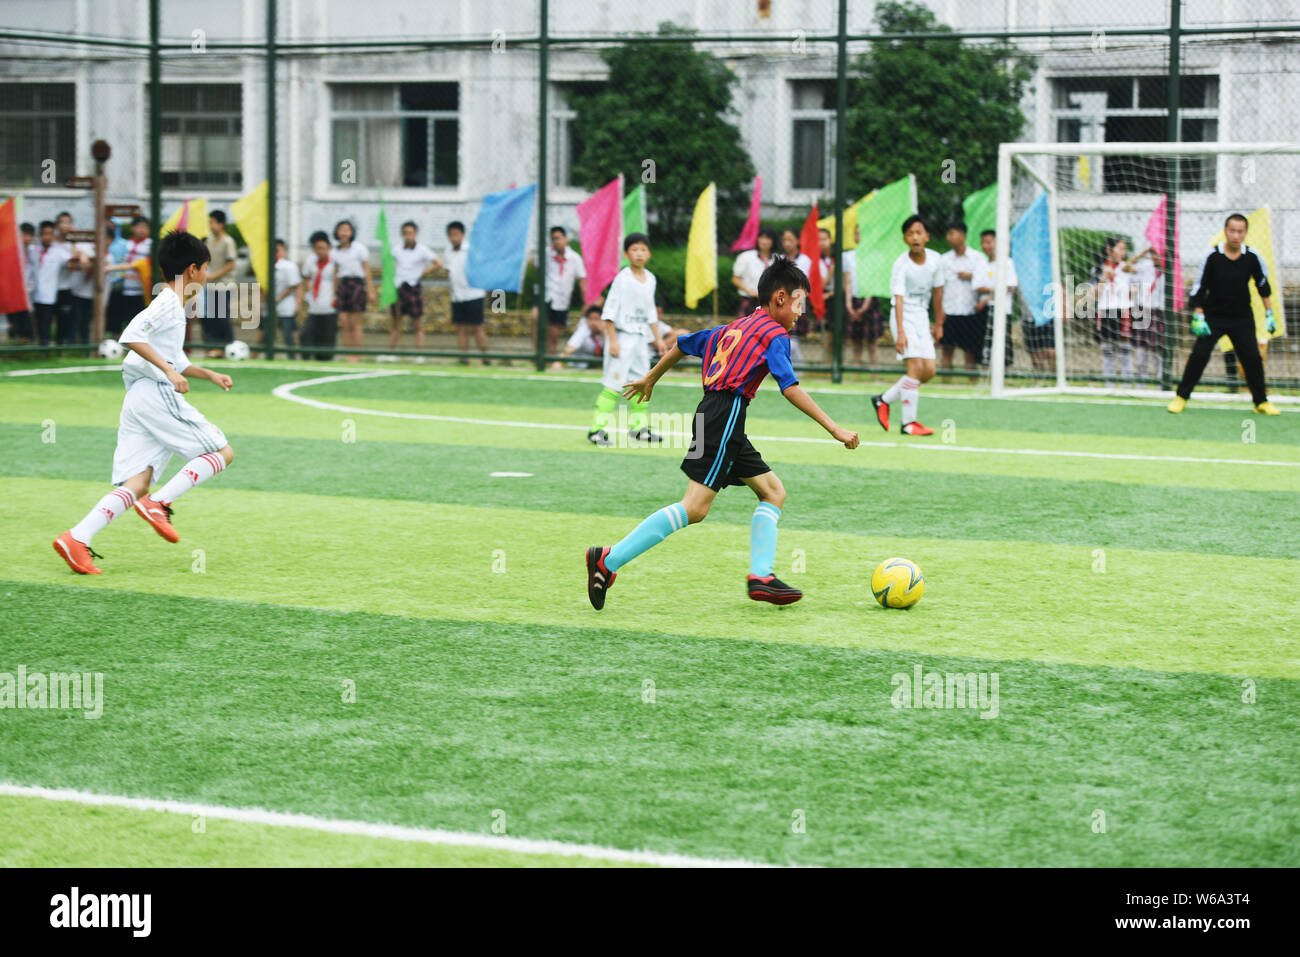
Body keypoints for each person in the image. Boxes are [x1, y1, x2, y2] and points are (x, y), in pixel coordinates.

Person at [585, 257, 859, 610]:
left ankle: (761, 575)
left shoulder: (734, 327)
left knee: (773, 492)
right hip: (725, 415)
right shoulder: (775, 335)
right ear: (779, 297)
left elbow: (683, 344)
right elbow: (789, 387)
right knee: (695, 507)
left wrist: (651, 378)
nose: (801, 313)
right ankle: (609, 560)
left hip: (715, 414)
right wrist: (834, 428)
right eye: (799, 303)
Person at [52, 230, 234, 576]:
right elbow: (131, 335)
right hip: (154, 392)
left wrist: (207, 373)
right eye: (207, 269)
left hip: (138, 398)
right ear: (193, 269)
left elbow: (174, 359)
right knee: (222, 452)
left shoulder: (172, 305)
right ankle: (160, 503)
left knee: (137, 482)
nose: (207, 277)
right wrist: (167, 370)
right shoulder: (168, 301)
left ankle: (77, 538)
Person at [1169, 213, 1279, 415]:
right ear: (1225, 231)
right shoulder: (1212, 256)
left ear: (1245, 233)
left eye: (1240, 231)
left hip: (1242, 318)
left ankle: (1261, 402)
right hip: (1214, 317)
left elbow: (1263, 285)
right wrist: (1199, 315)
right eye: (1232, 231)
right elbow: (1199, 287)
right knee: (1199, 354)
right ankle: (1181, 397)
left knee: (1252, 358)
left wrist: (1270, 313)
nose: (1236, 235)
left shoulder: (1252, 257)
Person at [588, 233, 666, 446]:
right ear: (626, 254)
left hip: (641, 340)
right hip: (622, 339)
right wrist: (613, 341)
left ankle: (638, 428)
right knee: (613, 385)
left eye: (643, 250)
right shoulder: (622, 279)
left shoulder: (650, 279)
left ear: (648, 253)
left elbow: (650, 311)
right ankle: (597, 429)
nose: (639, 254)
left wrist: (658, 339)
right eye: (634, 250)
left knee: (642, 384)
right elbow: (609, 312)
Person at [872, 215, 944, 436]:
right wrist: (900, 332)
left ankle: (883, 399)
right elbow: (899, 299)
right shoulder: (901, 264)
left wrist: (939, 323)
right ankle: (908, 423)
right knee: (915, 368)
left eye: (919, 232)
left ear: (927, 237)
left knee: (929, 371)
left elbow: (938, 292)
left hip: (922, 318)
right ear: (905, 239)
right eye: (910, 233)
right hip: (903, 317)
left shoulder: (935, 260)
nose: (915, 237)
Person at [938, 221, 988, 378]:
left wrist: (971, 276)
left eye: (952, 233)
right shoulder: (944, 259)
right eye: (948, 234)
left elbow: (987, 282)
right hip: (949, 311)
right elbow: (939, 288)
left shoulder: (978, 258)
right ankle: (946, 382)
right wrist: (940, 312)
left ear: (963, 235)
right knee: (947, 349)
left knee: (970, 351)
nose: (949, 237)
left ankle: (971, 382)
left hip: (969, 311)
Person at [974, 229, 1026, 369]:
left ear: (997, 243)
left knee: (1003, 342)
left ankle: (1005, 374)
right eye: (983, 242)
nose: (986, 246)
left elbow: (1010, 287)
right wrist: (995, 290)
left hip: (1003, 310)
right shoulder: (981, 264)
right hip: (985, 310)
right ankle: (985, 372)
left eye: (989, 242)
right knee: (984, 342)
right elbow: (978, 286)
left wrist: (987, 297)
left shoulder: (1007, 263)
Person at [532, 225, 587, 356]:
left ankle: (550, 356)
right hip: (544, 294)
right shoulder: (546, 254)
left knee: (554, 331)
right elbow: (535, 267)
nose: (556, 242)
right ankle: (537, 354)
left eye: (558, 238)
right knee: (535, 318)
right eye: (553, 239)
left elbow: (582, 280)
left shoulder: (574, 258)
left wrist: (585, 301)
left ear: (566, 239)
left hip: (562, 298)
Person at [442, 220, 489, 365]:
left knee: (477, 327)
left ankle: (485, 357)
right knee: (460, 328)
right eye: (450, 235)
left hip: (473, 294)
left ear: (462, 235)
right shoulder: (447, 252)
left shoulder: (471, 250)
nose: (453, 238)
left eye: (456, 234)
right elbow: (448, 271)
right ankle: (464, 358)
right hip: (457, 296)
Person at [1092, 236, 1137, 385]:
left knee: (1125, 347)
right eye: (1120, 248)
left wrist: (1133, 291)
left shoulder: (1127, 268)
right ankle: (1108, 382)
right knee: (1107, 348)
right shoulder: (1098, 268)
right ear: (1109, 251)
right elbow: (1094, 294)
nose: (1123, 252)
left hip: (1123, 310)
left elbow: (1133, 292)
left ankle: (1127, 382)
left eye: (1125, 249)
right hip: (1105, 310)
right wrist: (1104, 278)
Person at [388, 221, 437, 352]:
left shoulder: (422, 250)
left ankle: (420, 354)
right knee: (396, 323)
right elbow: (387, 262)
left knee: (417, 324)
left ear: (415, 234)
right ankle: (390, 352)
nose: (408, 236)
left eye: (410, 233)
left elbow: (438, 263)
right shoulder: (397, 249)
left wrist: (423, 272)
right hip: (399, 287)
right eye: (405, 233)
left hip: (413, 287)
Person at [332, 219, 375, 361]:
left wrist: (370, 289)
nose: (344, 233)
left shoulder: (359, 249)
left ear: (351, 233)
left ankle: (357, 354)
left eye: (347, 230)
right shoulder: (335, 252)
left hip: (356, 285)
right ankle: (349, 354)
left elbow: (366, 270)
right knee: (344, 322)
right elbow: (336, 274)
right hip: (343, 286)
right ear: (337, 232)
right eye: (341, 230)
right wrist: (334, 293)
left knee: (355, 322)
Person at [106, 217, 152, 340]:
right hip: (124, 288)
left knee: (140, 320)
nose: (142, 230)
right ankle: (118, 342)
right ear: (133, 228)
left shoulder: (150, 245)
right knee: (120, 318)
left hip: (141, 290)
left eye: (145, 227)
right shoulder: (126, 244)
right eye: (139, 226)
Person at [29, 221, 73, 347]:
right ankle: (37, 347)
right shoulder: (34, 250)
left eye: (50, 234)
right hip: (34, 293)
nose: (47, 237)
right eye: (44, 234)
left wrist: (82, 254)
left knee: (48, 323)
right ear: (39, 235)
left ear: (54, 235)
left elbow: (71, 261)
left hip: (50, 293)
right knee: (37, 323)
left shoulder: (58, 251)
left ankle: (49, 347)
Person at [300, 231, 339, 361]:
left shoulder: (334, 262)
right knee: (305, 335)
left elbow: (337, 281)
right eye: (317, 248)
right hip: (314, 307)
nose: (319, 251)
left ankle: (324, 361)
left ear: (329, 248)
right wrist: (309, 291)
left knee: (326, 339)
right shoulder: (311, 261)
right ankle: (306, 359)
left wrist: (336, 297)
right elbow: (306, 277)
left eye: (322, 248)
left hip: (329, 307)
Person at [204, 210, 238, 355]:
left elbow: (231, 264)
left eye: (213, 222)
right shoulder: (209, 241)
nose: (211, 226)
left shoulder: (228, 241)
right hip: (210, 285)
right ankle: (214, 348)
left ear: (221, 224)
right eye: (210, 222)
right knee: (211, 317)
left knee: (222, 317)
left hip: (224, 285)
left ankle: (229, 347)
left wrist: (213, 275)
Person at [1129, 246, 1164, 382]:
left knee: (1158, 348)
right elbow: (1125, 268)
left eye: (1159, 254)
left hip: (1159, 310)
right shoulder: (1145, 266)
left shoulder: (1170, 269)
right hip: (1143, 309)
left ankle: (1161, 380)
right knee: (1141, 347)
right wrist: (1140, 254)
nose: (1156, 257)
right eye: (1153, 253)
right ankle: (1141, 381)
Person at [732, 227, 778, 318]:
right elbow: (735, 279)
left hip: (771, 303)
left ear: (773, 241)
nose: (764, 241)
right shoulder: (745, 257)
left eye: (768, 238)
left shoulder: (778, 260)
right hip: (750, 300)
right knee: (745, 330)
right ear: (757, 239)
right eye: (762, 237)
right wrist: (750, 292)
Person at [779, 227, 807, 365]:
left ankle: (798, 369)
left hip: (798, 300)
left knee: (794, 340)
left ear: (797, 241)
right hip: (782, 301)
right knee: (781, 336)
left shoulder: (805, 260)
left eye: (790, 239)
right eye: (784, 240)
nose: (787, 243)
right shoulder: (779, 259)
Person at [4, 222, 36, 342]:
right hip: (12, 295)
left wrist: (29, 288)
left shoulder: (32, 251)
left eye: (30, 235)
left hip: (26, 294)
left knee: (26, 325)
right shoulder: (10, 251)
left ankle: (25, 349)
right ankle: (13, 349)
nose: (27, 238)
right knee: (14, 324)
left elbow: (34, 273)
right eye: (24, 235)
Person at [273, 239, 303, 360]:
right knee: (265, 333)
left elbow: (295, 285)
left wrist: (298, 304)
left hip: (286, 306)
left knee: (288, 333)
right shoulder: (267, 265)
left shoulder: (289, 266)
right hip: (271, 307)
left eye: (278, 249)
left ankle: (292, 357)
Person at [550, 304, 605, 369]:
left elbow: (611, 348)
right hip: (580, 363)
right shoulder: (583, 330)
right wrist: (558, 362)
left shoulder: (607, 331)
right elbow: (570, 348)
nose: (593, 322)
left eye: (596, 319)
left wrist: (603, 331)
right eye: (590, 319)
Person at [53, 211, 76, 343]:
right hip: (49, 288)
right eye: (63, 222)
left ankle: (61, 345)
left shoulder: (72, 244)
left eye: (68, 222)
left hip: (66, 287)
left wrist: (73, 238)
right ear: (57, 225)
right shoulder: (52, 242)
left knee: (64, 318)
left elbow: (76, 258)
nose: (65, 226)